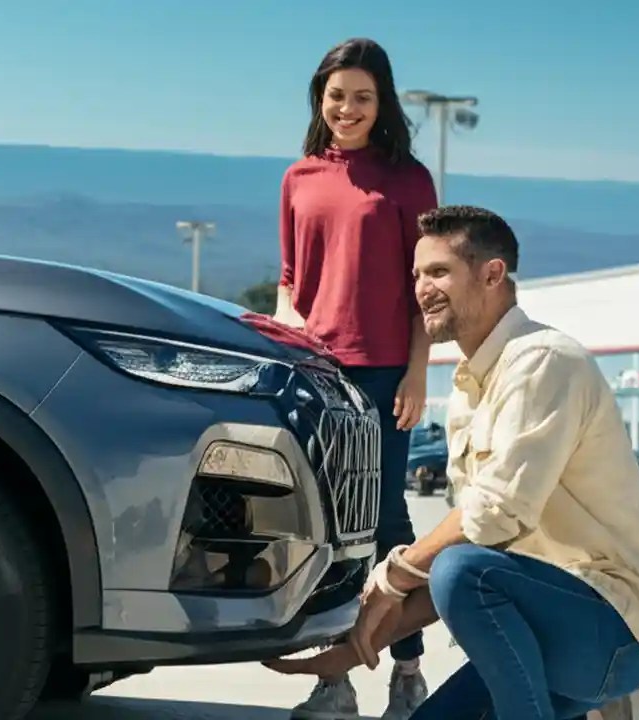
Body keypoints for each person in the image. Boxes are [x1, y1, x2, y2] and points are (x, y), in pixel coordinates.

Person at [265, 205, 639, 720]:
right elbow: (480, 550)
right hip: (535, 628)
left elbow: (491, 521)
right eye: (416, 274)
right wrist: (355, 647)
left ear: (492, 274)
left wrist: (395, 574)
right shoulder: (468, 385)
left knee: (462, 569)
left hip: (611, 623)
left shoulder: (543, 362)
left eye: (439, 272)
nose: (421, 288)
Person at [273, 36, 439, 720]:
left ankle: (408, 674)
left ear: (382, 104)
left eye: (362, 98)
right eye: (336, 96)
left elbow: (429, 285)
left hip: (383, 372)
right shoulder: (299, 176)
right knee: (321, 526)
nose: (347, 108)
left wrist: (419, 372)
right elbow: (288, 281)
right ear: (321, 99)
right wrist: (291, 329)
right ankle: (334, 684)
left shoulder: (409, 179)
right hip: (315, 374)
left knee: (386, 522)